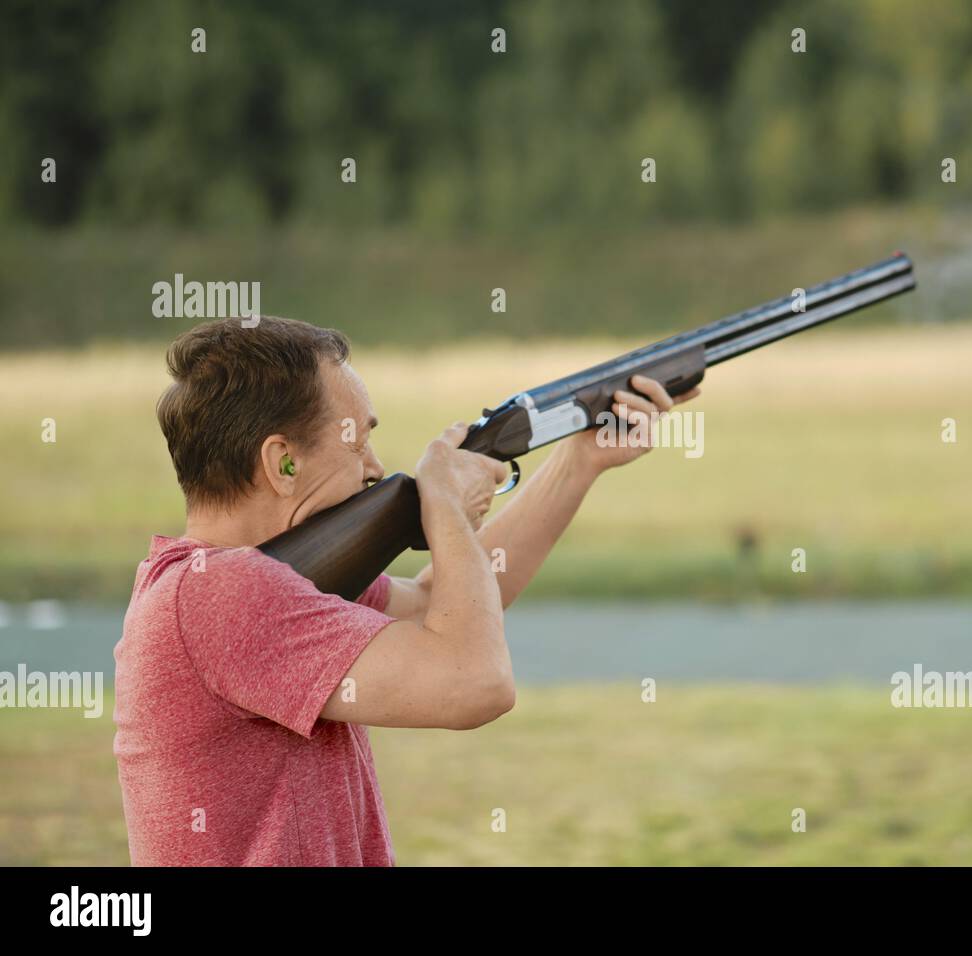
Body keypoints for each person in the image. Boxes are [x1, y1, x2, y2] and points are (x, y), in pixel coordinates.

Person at [113, 315, 698, 865]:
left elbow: (433, 605)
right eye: (355, 440)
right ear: (282, 464)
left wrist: (578, 462)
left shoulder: (249, 585)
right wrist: (442, 506)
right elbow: (476, 683)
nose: (374, 467)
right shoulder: (222, 594)